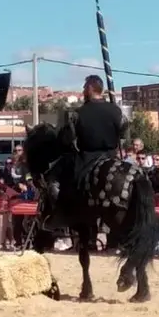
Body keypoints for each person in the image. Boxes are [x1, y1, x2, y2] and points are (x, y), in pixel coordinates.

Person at [45, 75, 126, 227]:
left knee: (54, 178)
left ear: (90, 88)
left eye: (84, 88)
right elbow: (123, 132)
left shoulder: (79, 113)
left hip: (87, 158)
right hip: (112, 156)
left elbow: (67, 139)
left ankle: (61, 216)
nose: (83, 91)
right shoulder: (116, 110)